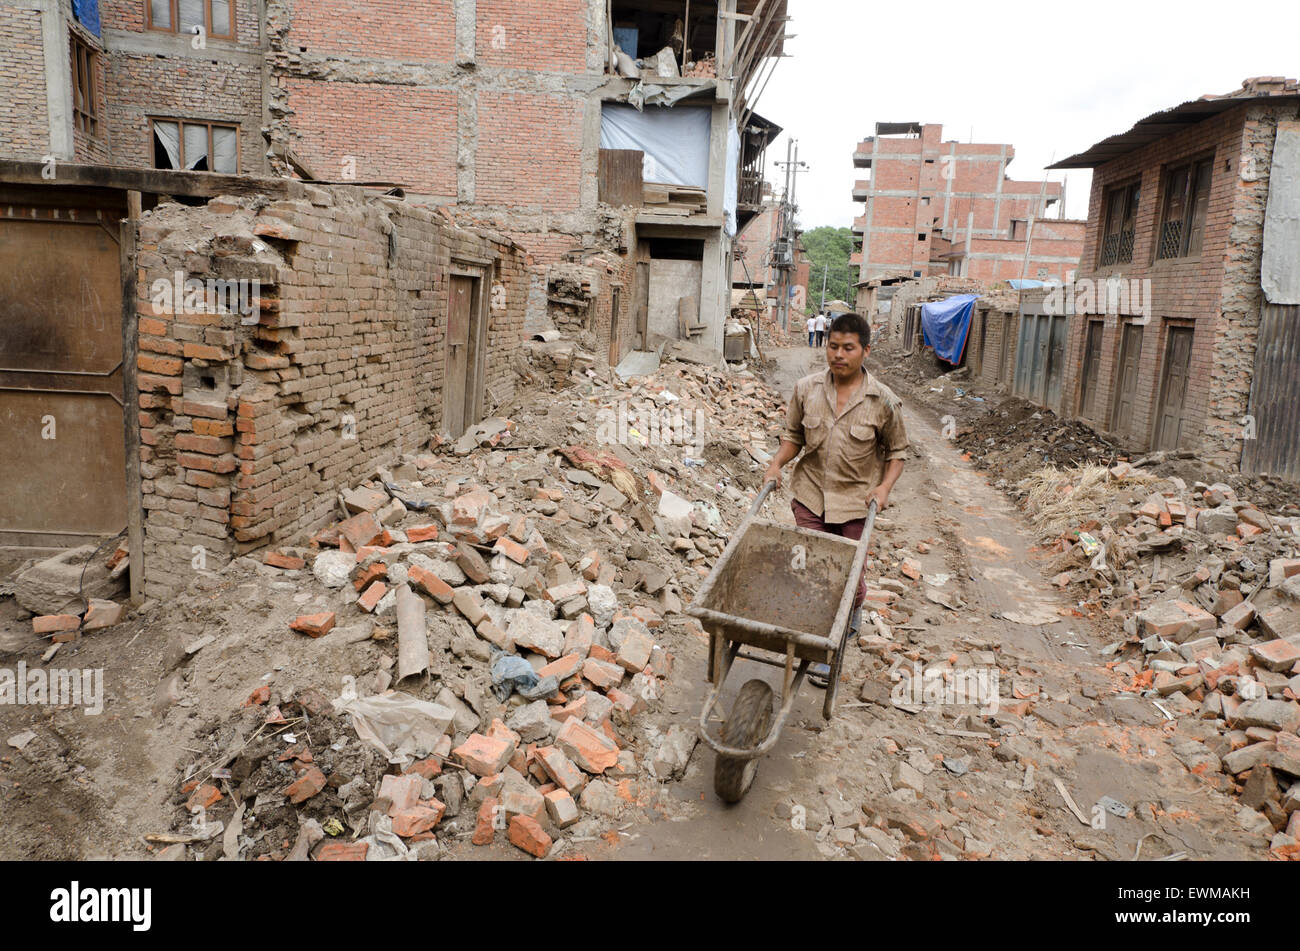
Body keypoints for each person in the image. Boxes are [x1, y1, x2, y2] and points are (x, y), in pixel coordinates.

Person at [764, 312, 909, 688]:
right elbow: (793, 436)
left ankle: (849, 618)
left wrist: (884, 488)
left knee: (849, 583)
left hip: (856, 503)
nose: (839, 355)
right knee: (815, 576)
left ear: (865, 351)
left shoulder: (884, 401)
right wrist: (777, 464)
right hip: (810, 495)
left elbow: (897, 452)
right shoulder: (805, 389)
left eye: (848, 348)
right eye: (833, 346)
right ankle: (822, 651)